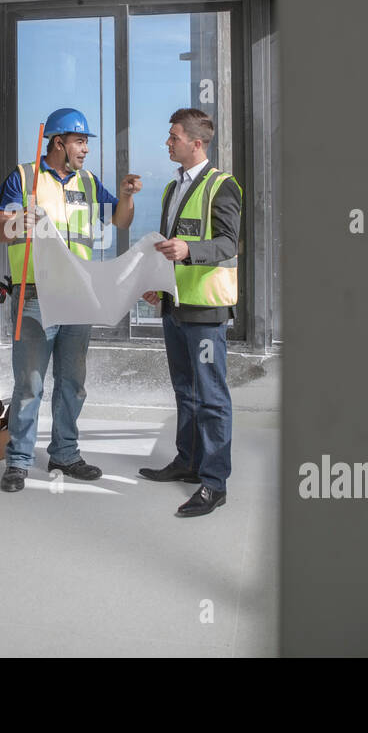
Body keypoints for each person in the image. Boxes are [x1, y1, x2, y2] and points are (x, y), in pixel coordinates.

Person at [0, 107, 142, 492]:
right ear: (58, 142)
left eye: (86, 142)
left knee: (72, 381)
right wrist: (12, 223)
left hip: (78, 296)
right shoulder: (23, 178)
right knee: (29, 384)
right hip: (35, 295)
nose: (85, 149)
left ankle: (65, 454)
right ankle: (19, 461)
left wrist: (126, 196)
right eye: (80, 141)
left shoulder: (87, 182)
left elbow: (121, 221)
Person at [139, 108, 243, 517]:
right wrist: (158, 284)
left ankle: (214, 484)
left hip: (205, 310)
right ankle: (188, 461)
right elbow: (171, 246)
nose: (168, 142)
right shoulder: (171, 188)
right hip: (175, 305)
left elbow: (228, 244)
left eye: (173, 136)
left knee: (212, 397)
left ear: (196, 143)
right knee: (185, 390)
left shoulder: (222, 186)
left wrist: (188, 251)